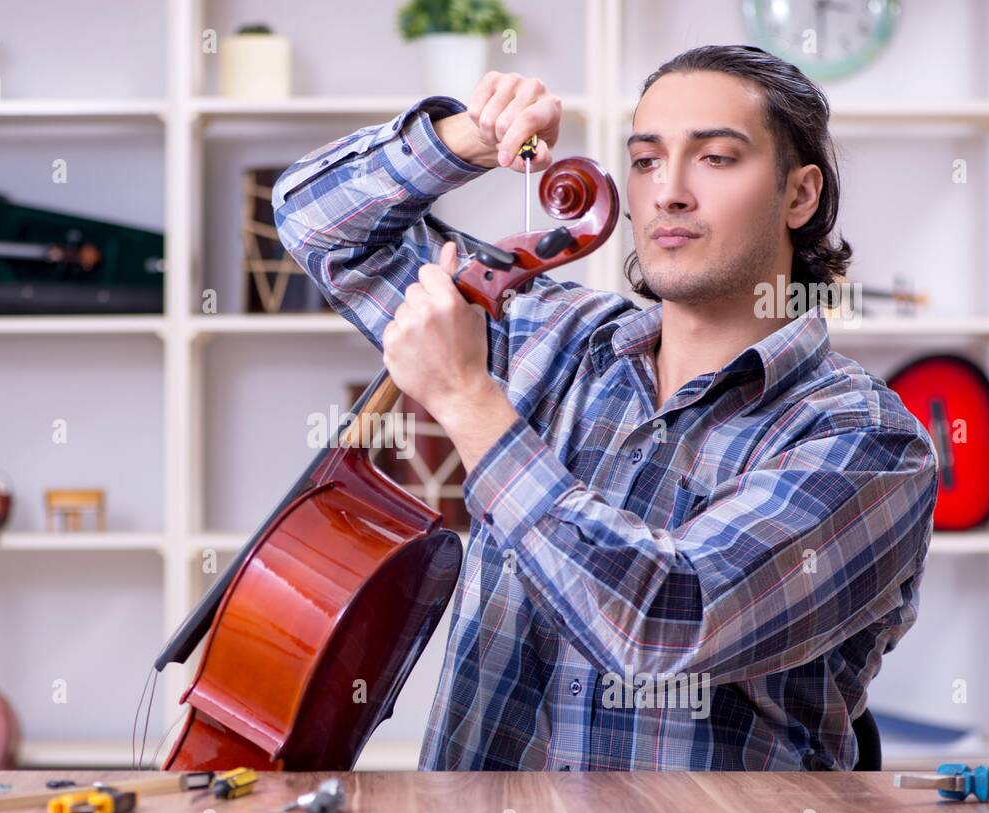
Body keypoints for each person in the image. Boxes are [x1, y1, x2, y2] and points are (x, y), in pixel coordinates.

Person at [272, 45, 939, 771]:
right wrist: (462, 141)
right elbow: (317, 224)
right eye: (647, 160)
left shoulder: (866, 441)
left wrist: (469, 402)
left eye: (716, 159)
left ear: (799, 196)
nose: (669, 193)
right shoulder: (544, 333)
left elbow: (668, 623)